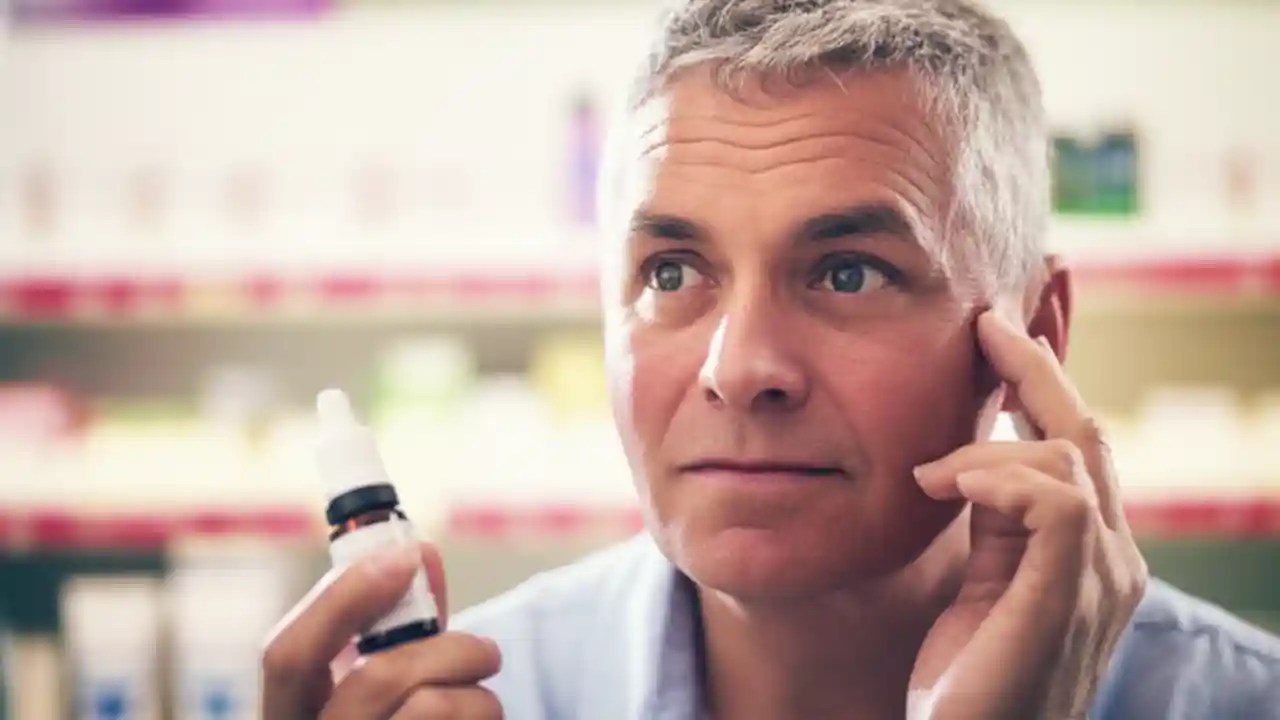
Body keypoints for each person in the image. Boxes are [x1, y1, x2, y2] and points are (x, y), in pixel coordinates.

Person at [260, 1, 1280, 718]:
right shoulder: (488, 698)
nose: (738, 367)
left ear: (1036, 330)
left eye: (845, 273)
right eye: (670, 273)